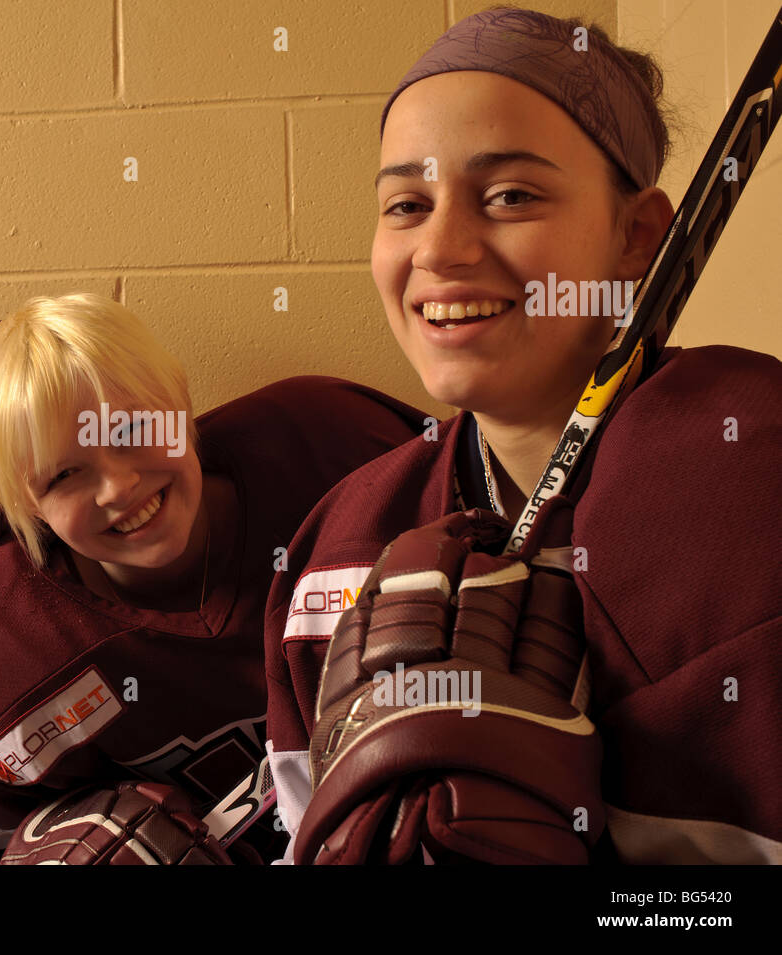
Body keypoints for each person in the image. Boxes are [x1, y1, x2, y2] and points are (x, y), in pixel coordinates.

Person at [265, 7, 782, 864]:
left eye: (510, 195)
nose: (441, 247)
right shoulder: (338, 546)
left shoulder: (751, 477)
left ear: (638, 237)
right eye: (405, 204)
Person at [0, 292, 426, 862]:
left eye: (129, 430)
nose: (118, 487)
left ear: (179, 401)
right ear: (23, 504)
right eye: (65, 474)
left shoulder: (332, 442)